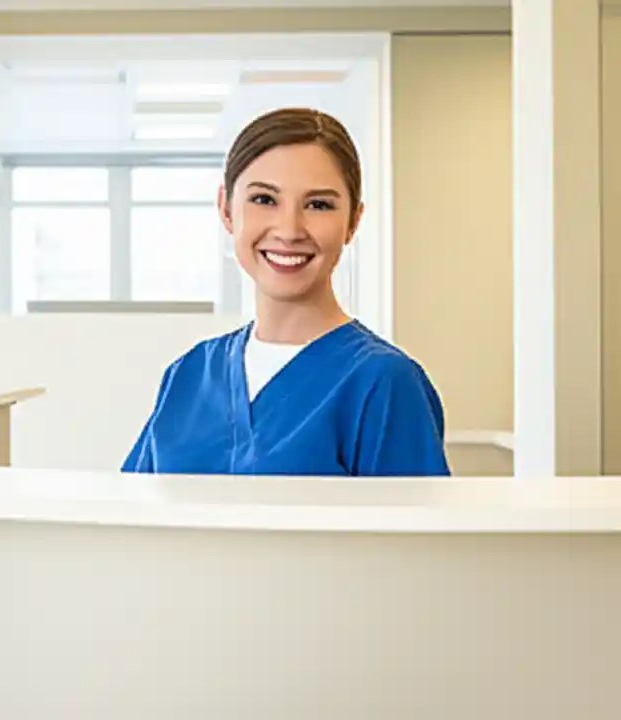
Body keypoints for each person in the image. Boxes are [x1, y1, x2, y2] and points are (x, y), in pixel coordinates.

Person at [122, 108, 450, 477]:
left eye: (318, 205)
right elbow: (131, 520)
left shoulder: (384, 384)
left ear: (353, 222)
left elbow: (412, 534)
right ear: (226, 209)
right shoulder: (188, 375)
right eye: (264, 199)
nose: (290, 229)